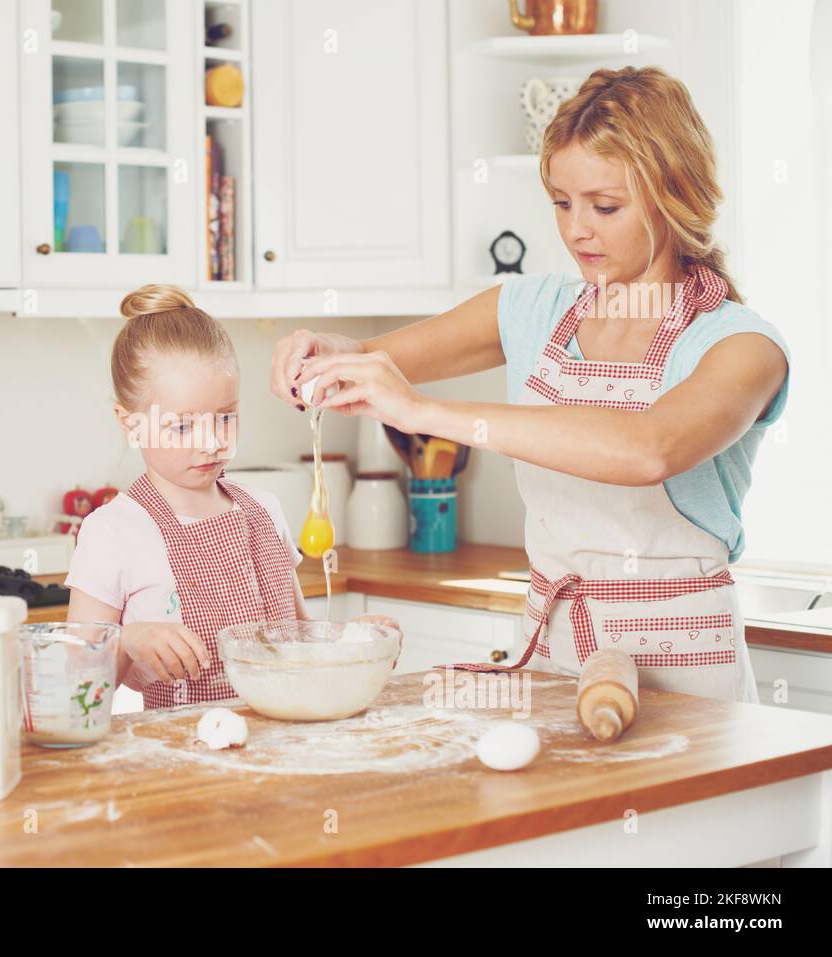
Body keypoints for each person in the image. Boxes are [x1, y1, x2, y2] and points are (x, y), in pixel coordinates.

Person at [271, 67, 790, 704]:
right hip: (554, 652)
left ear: (672, 197)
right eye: (561, 203)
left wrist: (423, 410)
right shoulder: (532, 308)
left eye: (605, 206)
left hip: (686, 672)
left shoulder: (742, 346)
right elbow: (372, 355)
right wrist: (325, 356)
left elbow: (649, 448)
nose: (576, 230)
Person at [66, 284, 393, 708]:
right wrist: (127, 641)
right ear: (130, 424)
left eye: (226, 417)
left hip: (283, 747)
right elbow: (78, 693)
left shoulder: (264, 510)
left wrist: (355, 641)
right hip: (184, 762)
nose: (211, 442)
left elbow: (300, 640)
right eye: (182, 426)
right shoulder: (111, 533)